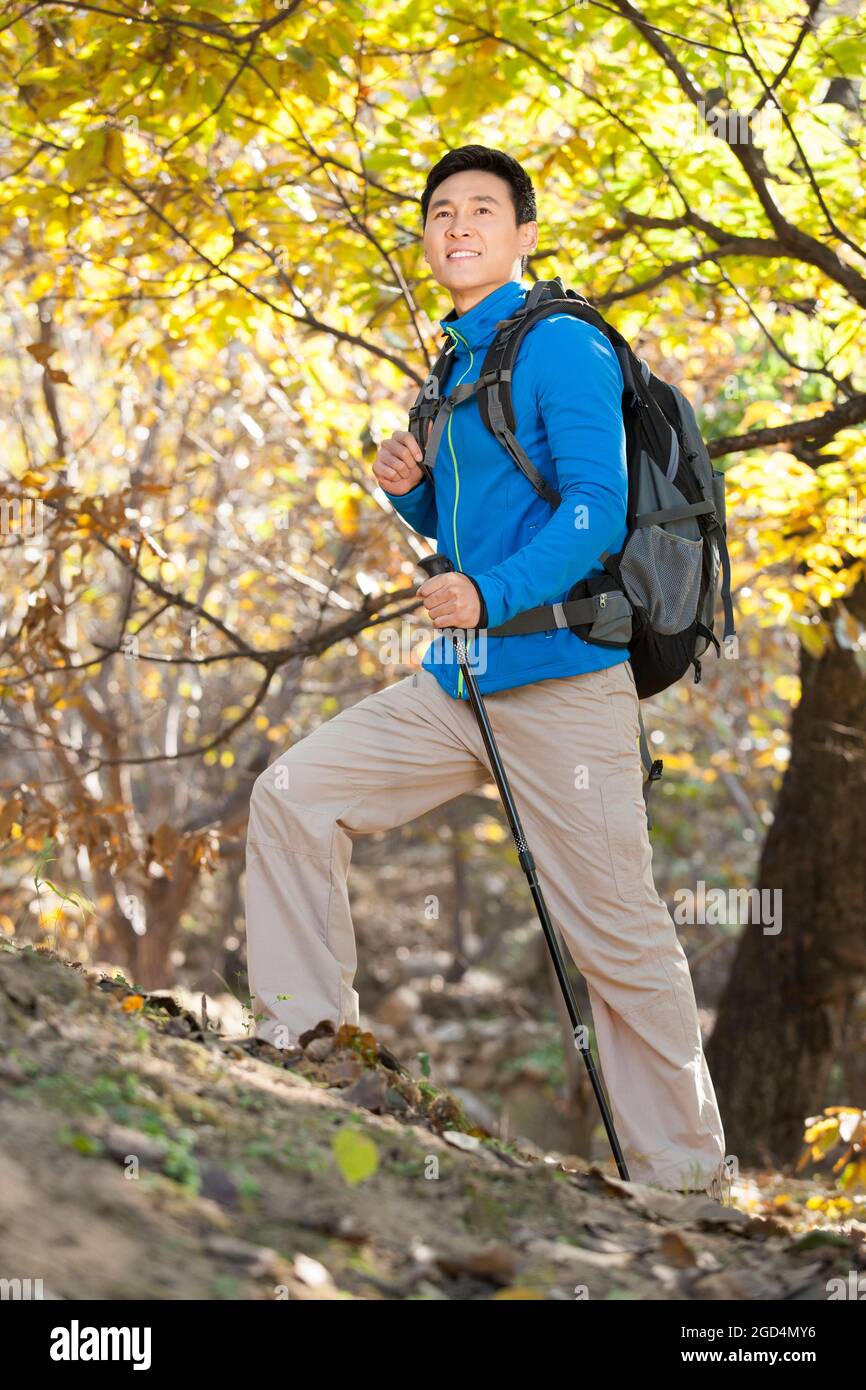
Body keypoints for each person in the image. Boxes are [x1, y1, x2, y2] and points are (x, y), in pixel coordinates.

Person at [244, 145, 728, 1199]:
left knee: (612, 931)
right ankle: (308, 1046)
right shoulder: (455, 363)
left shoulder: (557, 345)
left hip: (560, 678)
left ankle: (684, 1185)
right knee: (290, 796)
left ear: (520, 234)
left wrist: (489, 593)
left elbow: (593, 508)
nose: (455, 225)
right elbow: (477, 525)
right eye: (439, 213)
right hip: (460, 685)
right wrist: (412, 495)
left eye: (479, 210)